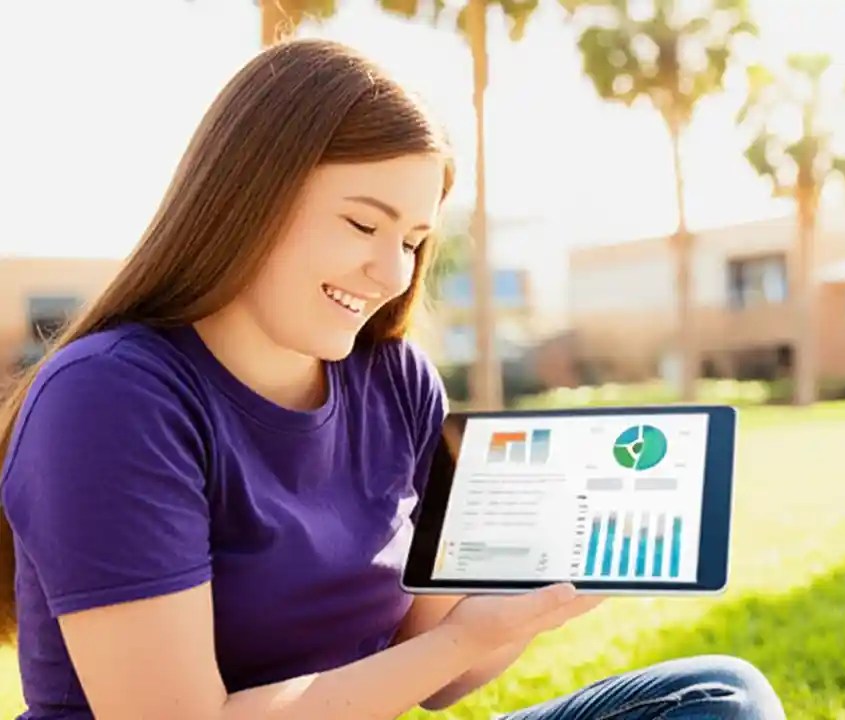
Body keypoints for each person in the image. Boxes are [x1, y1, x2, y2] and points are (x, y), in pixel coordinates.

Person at [0, 38, 784, 720]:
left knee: (717, 697)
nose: (391, 271)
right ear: (248, 198)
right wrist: (458, 640)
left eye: (412, 240)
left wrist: (525, 595)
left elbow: (436, 672)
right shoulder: (110, 399)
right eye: (362, 224)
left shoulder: (395, 382)